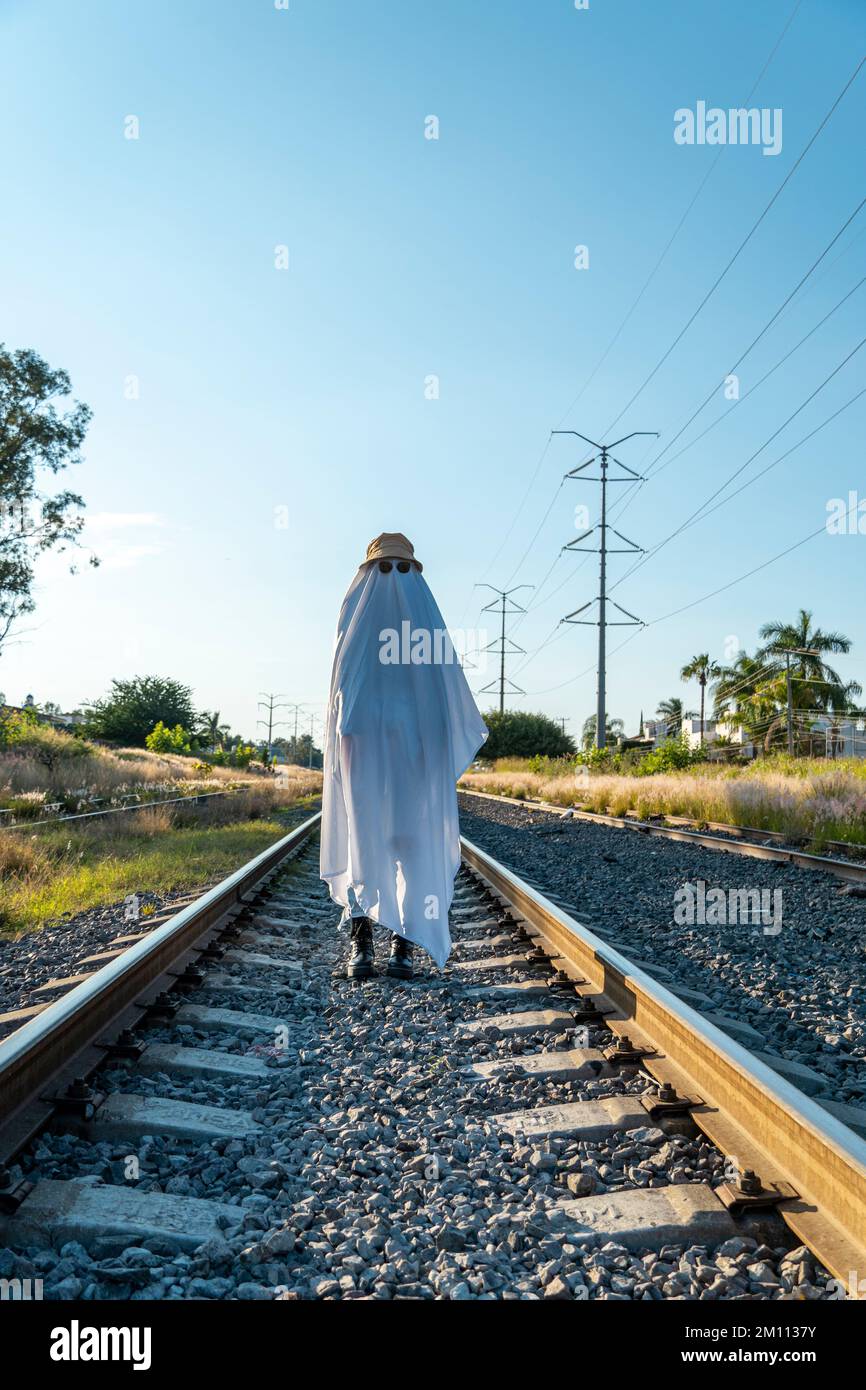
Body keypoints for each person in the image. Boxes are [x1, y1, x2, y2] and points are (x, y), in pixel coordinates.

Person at [320, 532, 488, 979]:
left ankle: (401, 946)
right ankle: (363, 946)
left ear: (413, 573)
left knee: (408, 848)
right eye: (386, 569)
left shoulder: (424, 630)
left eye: (402, 569)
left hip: (411, 765)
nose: (394, 578)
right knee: (365, 845)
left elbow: (445, 703)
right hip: (365, 762)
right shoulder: (356, 623)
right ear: (371, 573)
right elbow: (342, 700)